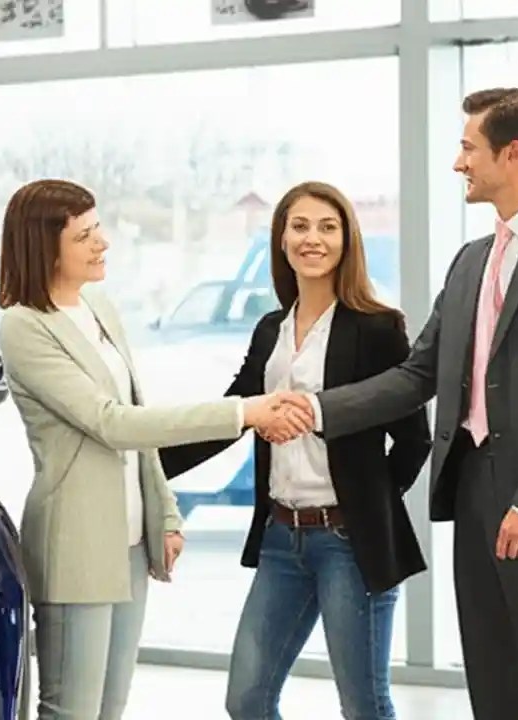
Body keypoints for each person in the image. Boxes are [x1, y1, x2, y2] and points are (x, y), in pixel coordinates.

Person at [271, 89, 518, 720]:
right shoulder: (470, 262)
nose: (459, 163)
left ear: (512, 154)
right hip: (472, 492)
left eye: (469, 148)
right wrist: (315, 408)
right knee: (489, 679)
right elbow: (418, 374)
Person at [0, 178, 308, 720]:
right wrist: (243, 411)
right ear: (45, 246)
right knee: (72, 711)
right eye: (85, 235)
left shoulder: (99, 308)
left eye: (98, 228)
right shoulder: (23, 327)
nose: (103, 242)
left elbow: (137, 414)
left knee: (111, 708)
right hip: (76, 545)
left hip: (131, 542)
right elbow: (111, 423)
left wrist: (163, 513)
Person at [159, 181, 432, 720]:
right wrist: (148, 464)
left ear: (347, 240)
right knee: (248, 699)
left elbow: (412, 438)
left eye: (328, 227)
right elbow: (231, 416)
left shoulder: (377, 328)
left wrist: (366, 502)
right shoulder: (270, 330)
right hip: (283, 538)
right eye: (300, 226)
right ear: (281, 240)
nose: (314, 239)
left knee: (364, 706)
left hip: (349, 543)